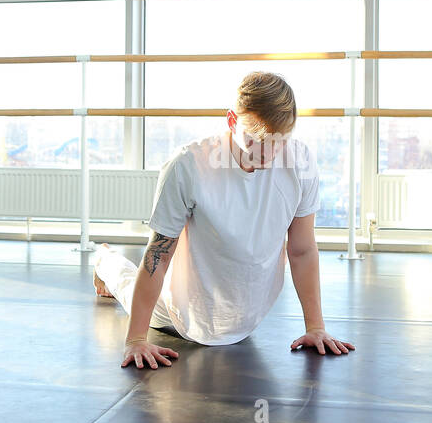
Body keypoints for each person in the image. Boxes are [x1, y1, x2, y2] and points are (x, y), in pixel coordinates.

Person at [92, 71, 356, 369]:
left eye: (279, 143)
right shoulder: (188, 166)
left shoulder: (300, 162)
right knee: (126, 287)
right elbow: (158, 255)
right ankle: (105, 260)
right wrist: (136, 339)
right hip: (179, 307)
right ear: (232, 121)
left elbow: (302, 249)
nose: (267, 155)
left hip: (244, 313)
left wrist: (315, 327)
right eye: (256, 141)